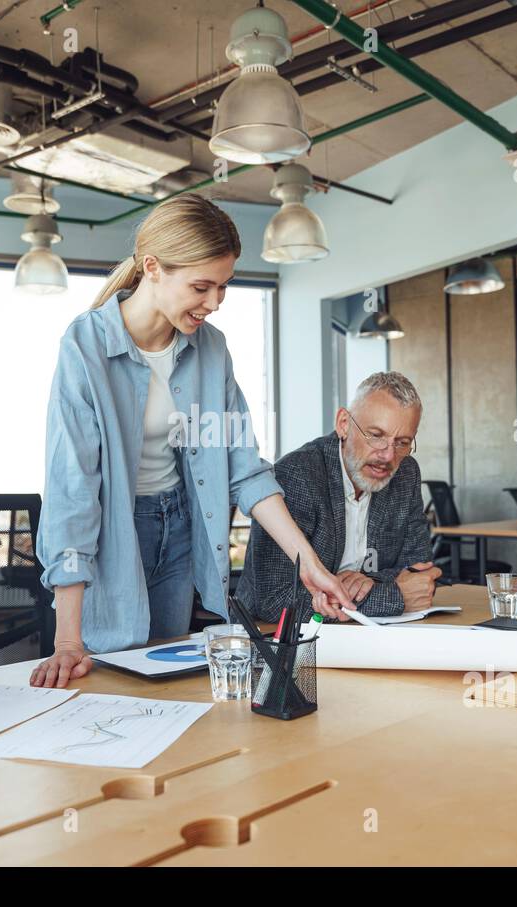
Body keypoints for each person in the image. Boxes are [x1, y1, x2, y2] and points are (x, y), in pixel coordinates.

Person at [31, 196, 354, 688]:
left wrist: (309, 565)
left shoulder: (211, 349)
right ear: (153, 268)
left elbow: (244, 468)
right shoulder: (85, 347)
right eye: (201, 287)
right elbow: (74, 490)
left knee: (166, 680)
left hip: (180, 527)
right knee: (111, 683)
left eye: (223, 287)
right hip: (116, 534)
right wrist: (66, 641)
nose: (215, 302)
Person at [238, 372, 440, 623]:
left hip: (372, 638)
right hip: (279, 642)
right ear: (343, 423)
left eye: (402, 442)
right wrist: (392, 595)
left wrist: (371, 581)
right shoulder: (298, 475)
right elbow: (275, 601)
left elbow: (419, 573)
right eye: (375, 435)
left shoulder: (406, 473)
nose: (388, 455)